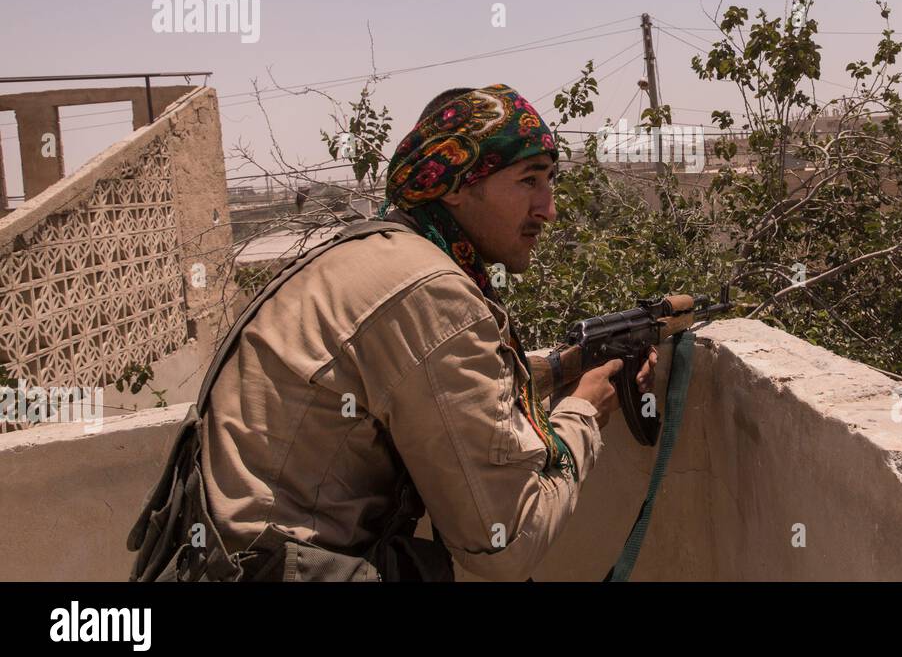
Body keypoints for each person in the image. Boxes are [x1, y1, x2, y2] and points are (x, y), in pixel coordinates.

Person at [130, 83, 654, 582]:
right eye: (528, 180)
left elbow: (430, 387)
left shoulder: (376, 251)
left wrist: (561, 368)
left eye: (550, 182)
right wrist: (584, 412)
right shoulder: (433, 293)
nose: (548, 208)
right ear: (455, 186)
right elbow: (505, 544)